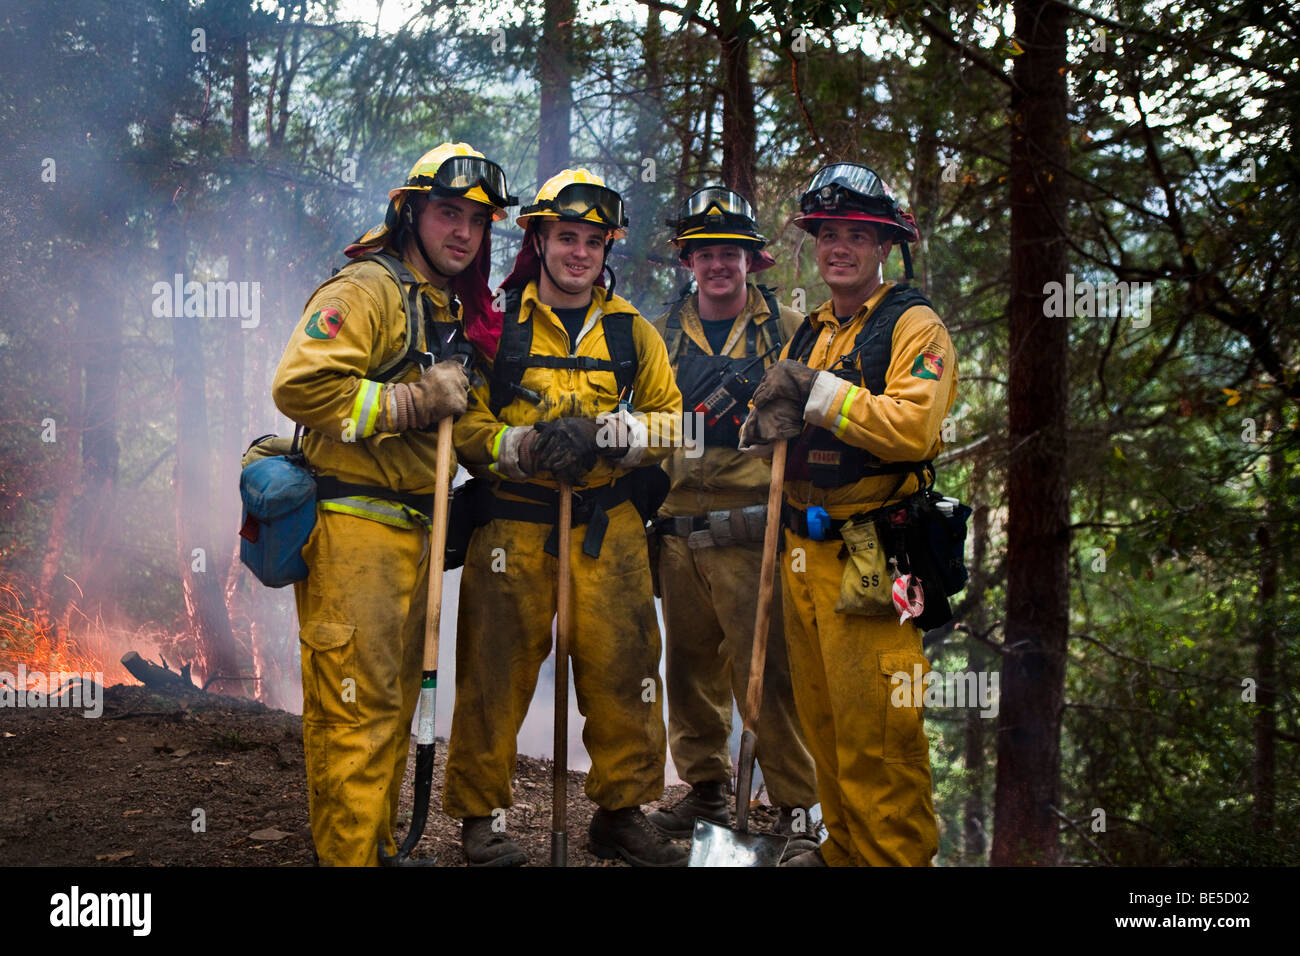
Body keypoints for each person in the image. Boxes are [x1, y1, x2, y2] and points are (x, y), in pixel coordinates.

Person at [271, 143, 516, 866]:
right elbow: (301, 387)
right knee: (357, 711)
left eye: (478, 220)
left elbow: (459, 421)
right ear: (409, 212)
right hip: (354, 529)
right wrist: (411, 401)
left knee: (390, 708)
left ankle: (373, 848)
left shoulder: (444, 306)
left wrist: (520, 450)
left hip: (414, 531)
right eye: (448, 214)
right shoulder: (368, 289)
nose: (464, 233)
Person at [444, 169, 687, 866]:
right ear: (540, 239)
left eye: (594, 240)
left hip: (608, 533)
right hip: (511, 533)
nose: (580, 252)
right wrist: (517, 447)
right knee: (493, 673)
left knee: (626, 671)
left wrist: (613, 434)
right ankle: (478, 821)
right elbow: (462, 427)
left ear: (608, 247)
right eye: (566, 237)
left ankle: (620, 813)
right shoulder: (496, 324)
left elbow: (675, 425)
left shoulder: (631, 331)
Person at [740, 162, 958, 867]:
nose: (840, 247)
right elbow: (782, 407)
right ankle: (843, 851)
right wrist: (762, 419)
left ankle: (893, 859)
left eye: (857, 235)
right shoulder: (811, 331)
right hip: (804, 551)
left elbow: (912, 428)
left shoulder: (914, 325)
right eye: (829, 233)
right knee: (826, 717)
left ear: (884, 245)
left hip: (879, 556)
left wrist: (816, 394)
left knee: (882, 728)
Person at [643, 186, 818, 856]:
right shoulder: (659, 334)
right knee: (689, 670)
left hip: (755, 528)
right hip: (679, 526)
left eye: (732, 252)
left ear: (753, 259)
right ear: (689, 260)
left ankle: (799, 807)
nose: (719, 264)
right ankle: (707, 789)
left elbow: (831, 404)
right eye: (706, 252)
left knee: (768, 673)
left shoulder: (793, 329)